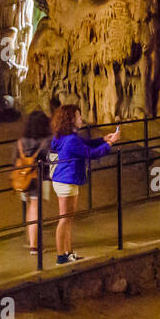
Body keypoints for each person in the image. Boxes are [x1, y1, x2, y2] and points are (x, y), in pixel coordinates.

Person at [48, 104, 121, 264]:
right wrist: (110, 144)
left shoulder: (64, 136)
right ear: (71, 119)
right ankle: (61, 256)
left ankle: (68, 253)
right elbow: (91, 153)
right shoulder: (71, 140)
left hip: (66, 179)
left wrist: (103, 139)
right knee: (64, 219)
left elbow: (86, 143)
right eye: (79, 116)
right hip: (66, 180)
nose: (81, 118)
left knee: (68, 219)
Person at [13, 110, 52, 255]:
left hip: (23, 178)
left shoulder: (21, 141)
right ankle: (34, 246)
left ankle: (30, 239)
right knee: (35, 207)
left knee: (30, 207)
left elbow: (15, 160)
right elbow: (50, 159)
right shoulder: (46, 141)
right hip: (38, 178)